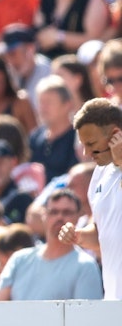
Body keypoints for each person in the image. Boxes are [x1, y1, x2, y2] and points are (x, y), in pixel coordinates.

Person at [60, 97, 122, 299]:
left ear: (115, 134)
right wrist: (78, 236)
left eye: (92, 144)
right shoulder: (99, 176)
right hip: (114, 298)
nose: (86, 153)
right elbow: (101, 233)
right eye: (83, 144)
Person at [0, 188, 102, 300]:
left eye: (67, 212)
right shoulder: (19, 259)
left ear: (79, 216)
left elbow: (86, 314)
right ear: (44, 215)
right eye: (53, 212)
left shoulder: (86, 267)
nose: (59, 217)